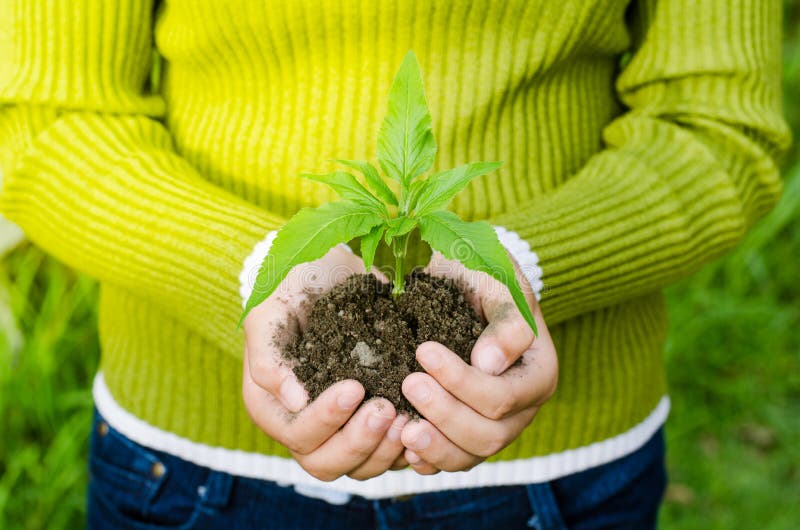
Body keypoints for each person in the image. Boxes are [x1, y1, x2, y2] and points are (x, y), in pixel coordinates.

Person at [0, 0, 789, 528]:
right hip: (191, 474)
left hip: (563, 475)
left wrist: (516, 266)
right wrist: (256, 274)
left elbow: (715, 123)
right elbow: (43, 117)